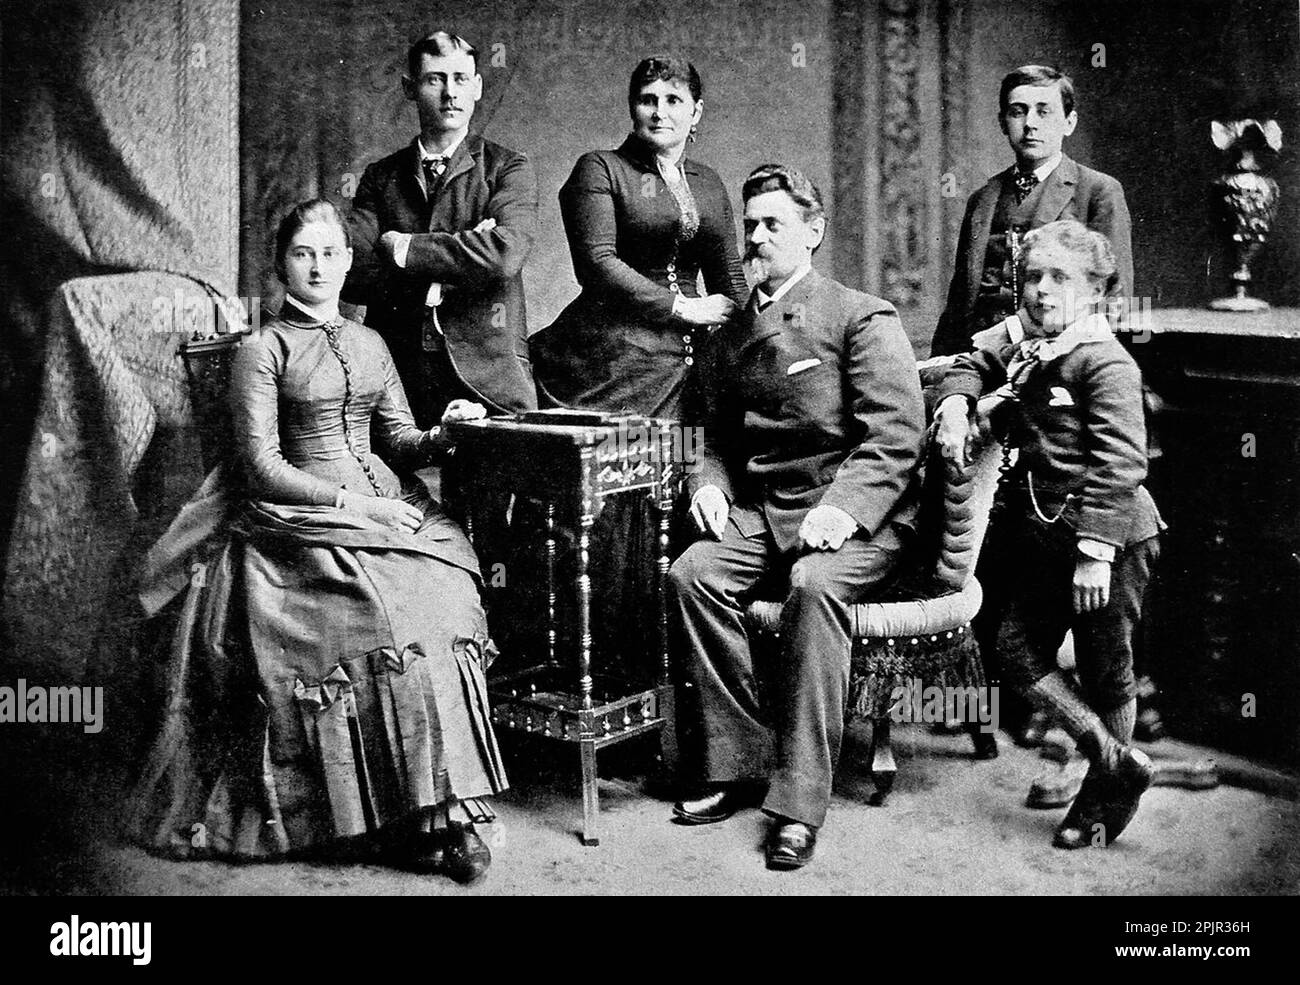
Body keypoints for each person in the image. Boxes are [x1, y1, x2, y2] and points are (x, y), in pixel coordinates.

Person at [127, 200, 506, 884]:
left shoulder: (370, 344)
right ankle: (394, 823)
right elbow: (261, 468)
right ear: (281, 265)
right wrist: (358, 508)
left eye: (331, 253)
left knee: (446, 601)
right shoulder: (261, 349)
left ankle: (442, 809)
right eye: (304, 254)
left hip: (391, 509)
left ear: (348, 262)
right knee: (388, 618)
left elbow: (396, 440)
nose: (319, 267)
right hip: (294, 523)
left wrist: (443, 432)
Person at [668, 164, 925, 871]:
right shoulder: (729, 328)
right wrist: (709, 481)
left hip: (858, 514)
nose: (755, 237)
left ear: (812, 232)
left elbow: (896, 436)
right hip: (765, 510)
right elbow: (706, 429)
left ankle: (797, 801)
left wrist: (843, 509)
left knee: (814, 585)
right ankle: (739, 760)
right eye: (749, 225)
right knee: (694, 572)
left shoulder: (858, 315)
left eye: (772, 224)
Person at [932, 219, 1163, 850]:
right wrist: (959, 402)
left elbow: (1121, 464)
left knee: (1106, 669)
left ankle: (1097, 803)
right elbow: (969, 361)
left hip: (1107, 541)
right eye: (1032, 277)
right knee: (1013, 648)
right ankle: (1113, 759)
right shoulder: (1031, 345)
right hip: (1045, 536)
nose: (1041, 290)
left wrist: (1096, 552)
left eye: (1059, 277)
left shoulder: (1104, 359)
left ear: (1093, 289)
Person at [529, 54, 747, 419]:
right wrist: (684, 308)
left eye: (673, 100)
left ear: (696, 112)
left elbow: (729, 275)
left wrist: (761, 338)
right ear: (633, 108)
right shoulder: (600, 168)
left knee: (697, 455)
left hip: (693, 357)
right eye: (648, 100)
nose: (660, 112)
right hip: (616, 352)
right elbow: (597, 264)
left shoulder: (707, 182)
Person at [344, 31, 538, 426]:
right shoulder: (380, 177)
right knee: (395, 486)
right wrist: (465, 255)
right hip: (397, 378)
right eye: (435, 79)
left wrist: (403, 250)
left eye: (460, 79)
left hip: (489, 377)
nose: (450, 92)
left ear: (478, 87)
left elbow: (503, 255)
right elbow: (353, 275)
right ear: (410, 87)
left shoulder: (509, 168)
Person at [930, 65, 1133, 359]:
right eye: (1018, 111)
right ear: (1002, 122)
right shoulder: (982, 199)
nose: (1030, 124)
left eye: (1044, 111)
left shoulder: (1098, 191)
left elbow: (1116, 299)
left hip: (1055, 360)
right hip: (976, 357)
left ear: (1069, 122)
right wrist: (942, 365)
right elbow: (958, 303)